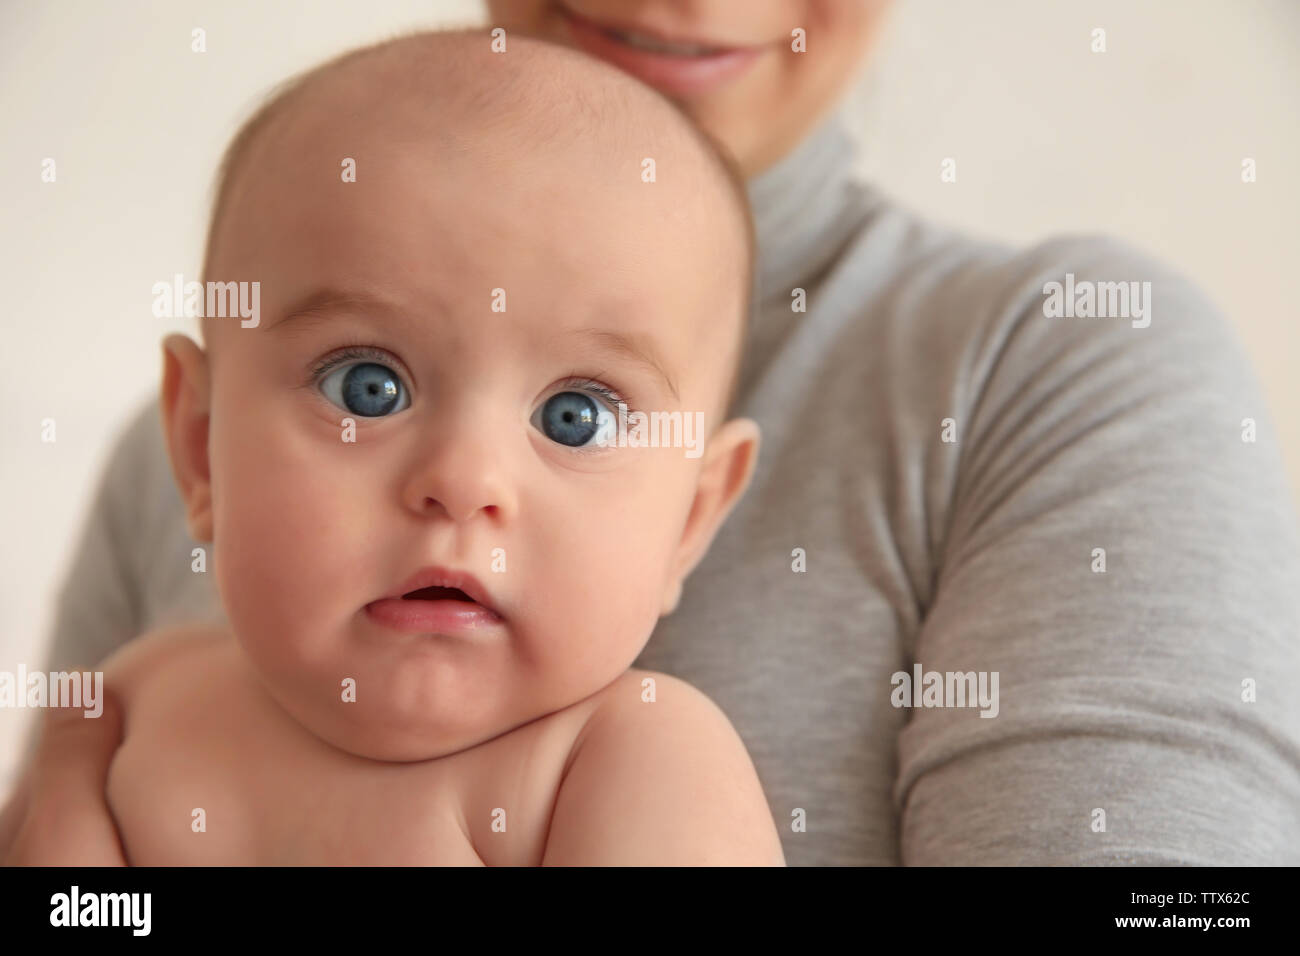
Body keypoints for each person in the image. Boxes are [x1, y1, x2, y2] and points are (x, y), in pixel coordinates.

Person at [8, 0, 1300, 866]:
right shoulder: (131, 700)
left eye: (577, 416)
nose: (463, 481)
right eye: (366, 387)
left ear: (699, 508)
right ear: (201, 448)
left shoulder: (628, 756)